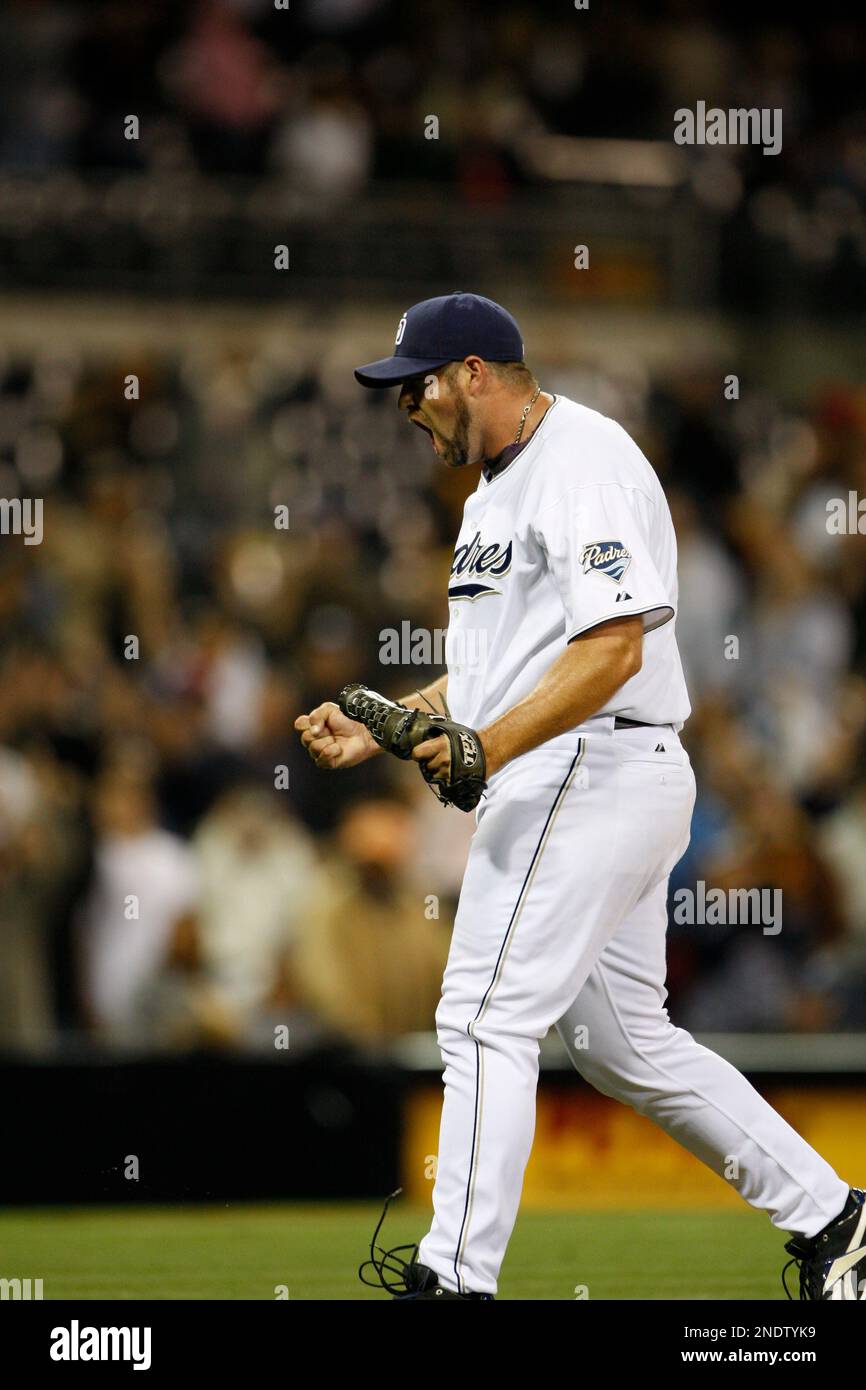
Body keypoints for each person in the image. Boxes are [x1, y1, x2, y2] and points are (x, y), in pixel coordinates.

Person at [295, 292, 864, 1301]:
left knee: (480, 1013)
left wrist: (488, 744)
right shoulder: (486, 497)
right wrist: (389, 714)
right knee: (620, 1042)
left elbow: (611, 649)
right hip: (584, 769)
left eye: (414, 386)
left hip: (586, 765)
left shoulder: (583, 458)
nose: (406, 408)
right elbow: (493, 681)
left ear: (473, 371)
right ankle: (834, 1217)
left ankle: (452, 1279)